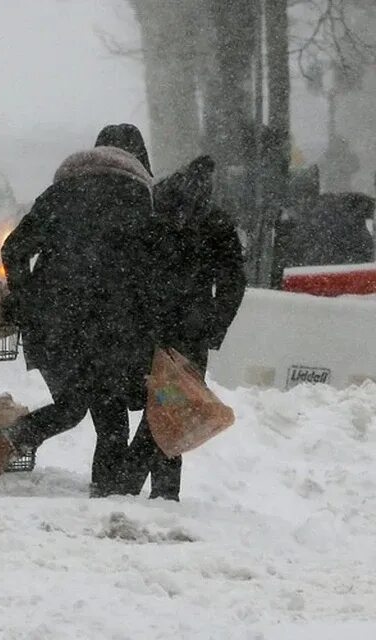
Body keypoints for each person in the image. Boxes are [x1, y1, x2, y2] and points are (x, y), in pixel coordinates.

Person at [0, 124, 156, 496]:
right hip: (111, 324)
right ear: (139, 159)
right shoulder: (139, 199)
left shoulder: (60, 192)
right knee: (109, 415)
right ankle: (107, 492)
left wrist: (26, 298)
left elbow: (14, 249)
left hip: (53, 321)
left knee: (71, 405)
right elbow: (151, 268)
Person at [123, 155, 246, 500]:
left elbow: (133, 271)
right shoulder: (215, 224)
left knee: (164, 405)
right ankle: (141, 484)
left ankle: (155, 489)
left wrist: (136, 314)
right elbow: (233, 281)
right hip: (190, 333)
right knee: (173, 407)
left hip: (150, 329)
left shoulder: (152, 216)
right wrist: (214, 324)